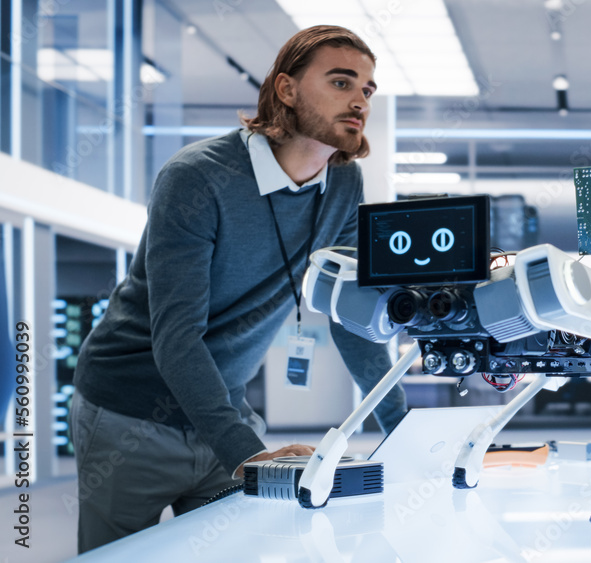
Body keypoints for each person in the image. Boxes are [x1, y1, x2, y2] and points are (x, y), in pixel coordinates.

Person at [70, 25, 407, 553]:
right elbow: (177, 337)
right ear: (286, 90)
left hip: (222, 410)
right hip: (130, 415)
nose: (359, 100)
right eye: (341, 82)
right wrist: (245, 453)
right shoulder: (197, 177)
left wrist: (402, 429)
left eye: (367, 89)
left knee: (238, 551)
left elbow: (349, 315)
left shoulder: (344, 184)